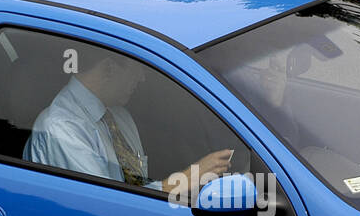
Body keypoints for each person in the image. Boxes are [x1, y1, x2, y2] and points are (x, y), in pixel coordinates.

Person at [24, 52, 232, 194]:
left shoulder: (120, 116)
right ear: (108, 69)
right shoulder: (62, 128)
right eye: (136, 67)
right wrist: (186, 179)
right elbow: (107, 205)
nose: (141, 78)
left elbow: (136, 184)